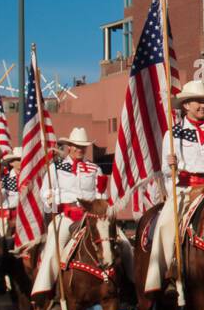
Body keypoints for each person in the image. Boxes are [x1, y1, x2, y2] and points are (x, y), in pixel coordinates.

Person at [142, 80, 204, 297]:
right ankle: (164, 276)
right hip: (186, 191)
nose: (202, 105)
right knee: (166, 225)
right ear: (185, 105)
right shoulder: (173, 135)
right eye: (197, 102)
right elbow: (167, 171)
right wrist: (173, 165)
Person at [31, 127, 131, 301]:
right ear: (69, 146)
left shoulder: (94, 169)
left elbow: (101, 196)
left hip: (91, 216)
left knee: (124, 243)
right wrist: (50, 198)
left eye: (83, 146)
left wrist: (101, 201)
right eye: (76, 146)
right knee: (52, 249)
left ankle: (133, 285)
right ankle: (45, 291)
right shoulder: (55, 168)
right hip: (67, 216)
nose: (79, 149)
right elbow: (44, 191)